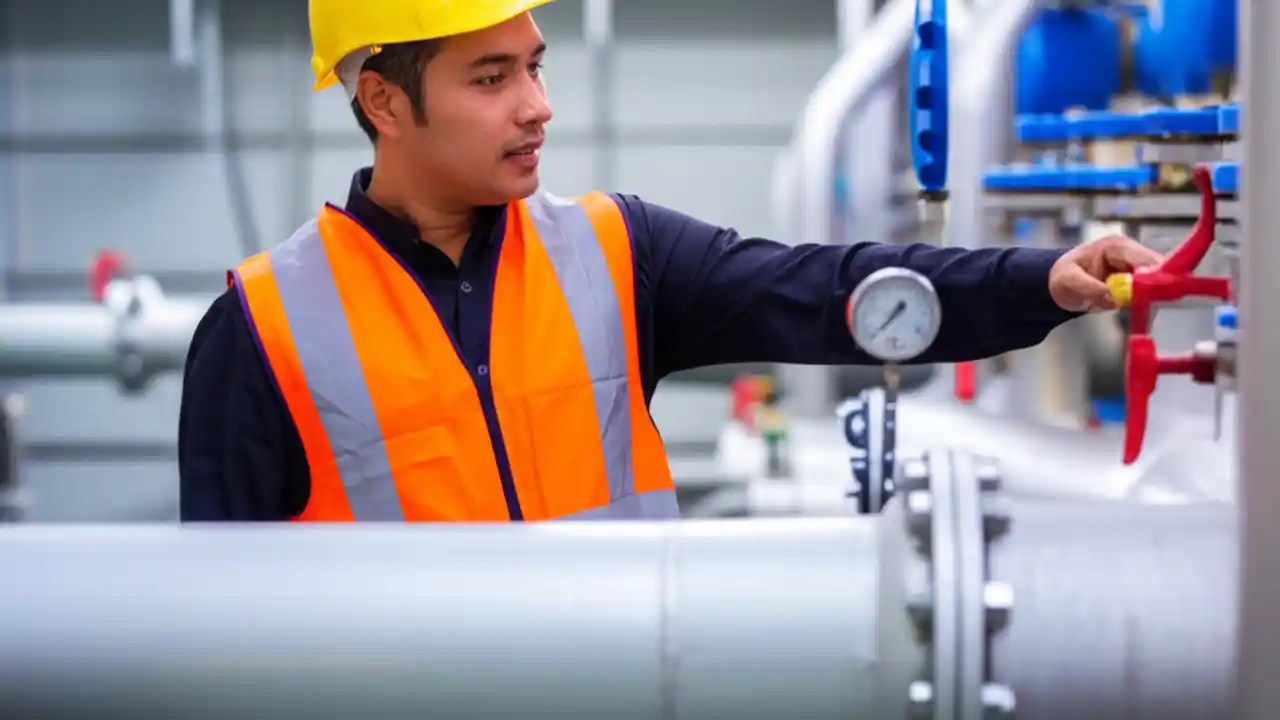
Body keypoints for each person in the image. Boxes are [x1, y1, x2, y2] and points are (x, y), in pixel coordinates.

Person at [178, 0, 1162, 522]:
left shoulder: (616, 253)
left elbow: (823, 290)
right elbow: (219, 621)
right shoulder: (264, 327)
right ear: (384, 106)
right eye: (491, 77)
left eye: (534, 64)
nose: (536, 105)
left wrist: (1036, 280)